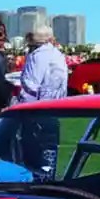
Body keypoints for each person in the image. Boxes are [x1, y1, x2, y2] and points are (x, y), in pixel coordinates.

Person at [16, 26, 67, 177]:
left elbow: (29, 88)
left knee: (32, 165)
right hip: (55, 111)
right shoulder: (58, 55)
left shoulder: (36, 56)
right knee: (49, 159)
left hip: (35, 115)